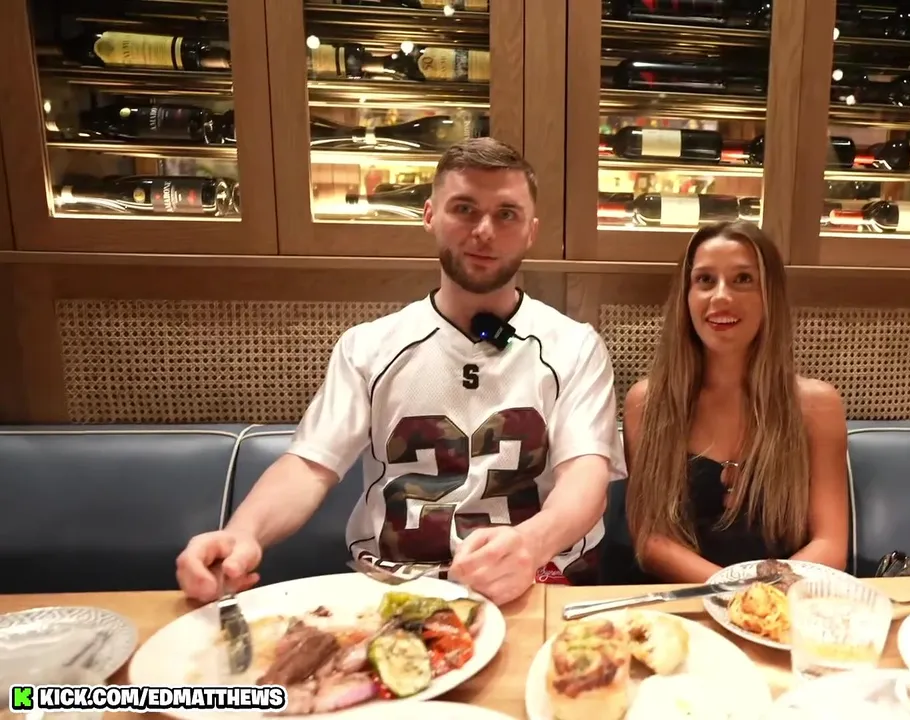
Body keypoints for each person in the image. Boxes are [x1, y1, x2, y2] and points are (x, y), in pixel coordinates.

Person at [175, 137, 627, 606]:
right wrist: (243, 534)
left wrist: (530, 544)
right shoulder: (368, 348)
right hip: (395, 590)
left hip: (536, 583)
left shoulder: (574, 347)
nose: (484, 231)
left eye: (506, 214)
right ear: (430, 215)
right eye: (465, 209)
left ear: (531, 231)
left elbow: (585, 479)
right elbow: (309, 466)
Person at [618, 220, 849, 583]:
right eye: (705, 280)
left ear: (770, 295)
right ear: (686, 297)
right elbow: (652, 540)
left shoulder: (818, 406)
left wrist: (765, 596)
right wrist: (736, 593)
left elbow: (830, 544)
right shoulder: (646, 404)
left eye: (743, 279)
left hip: (786, 601)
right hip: (682, 604)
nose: (721, 296)